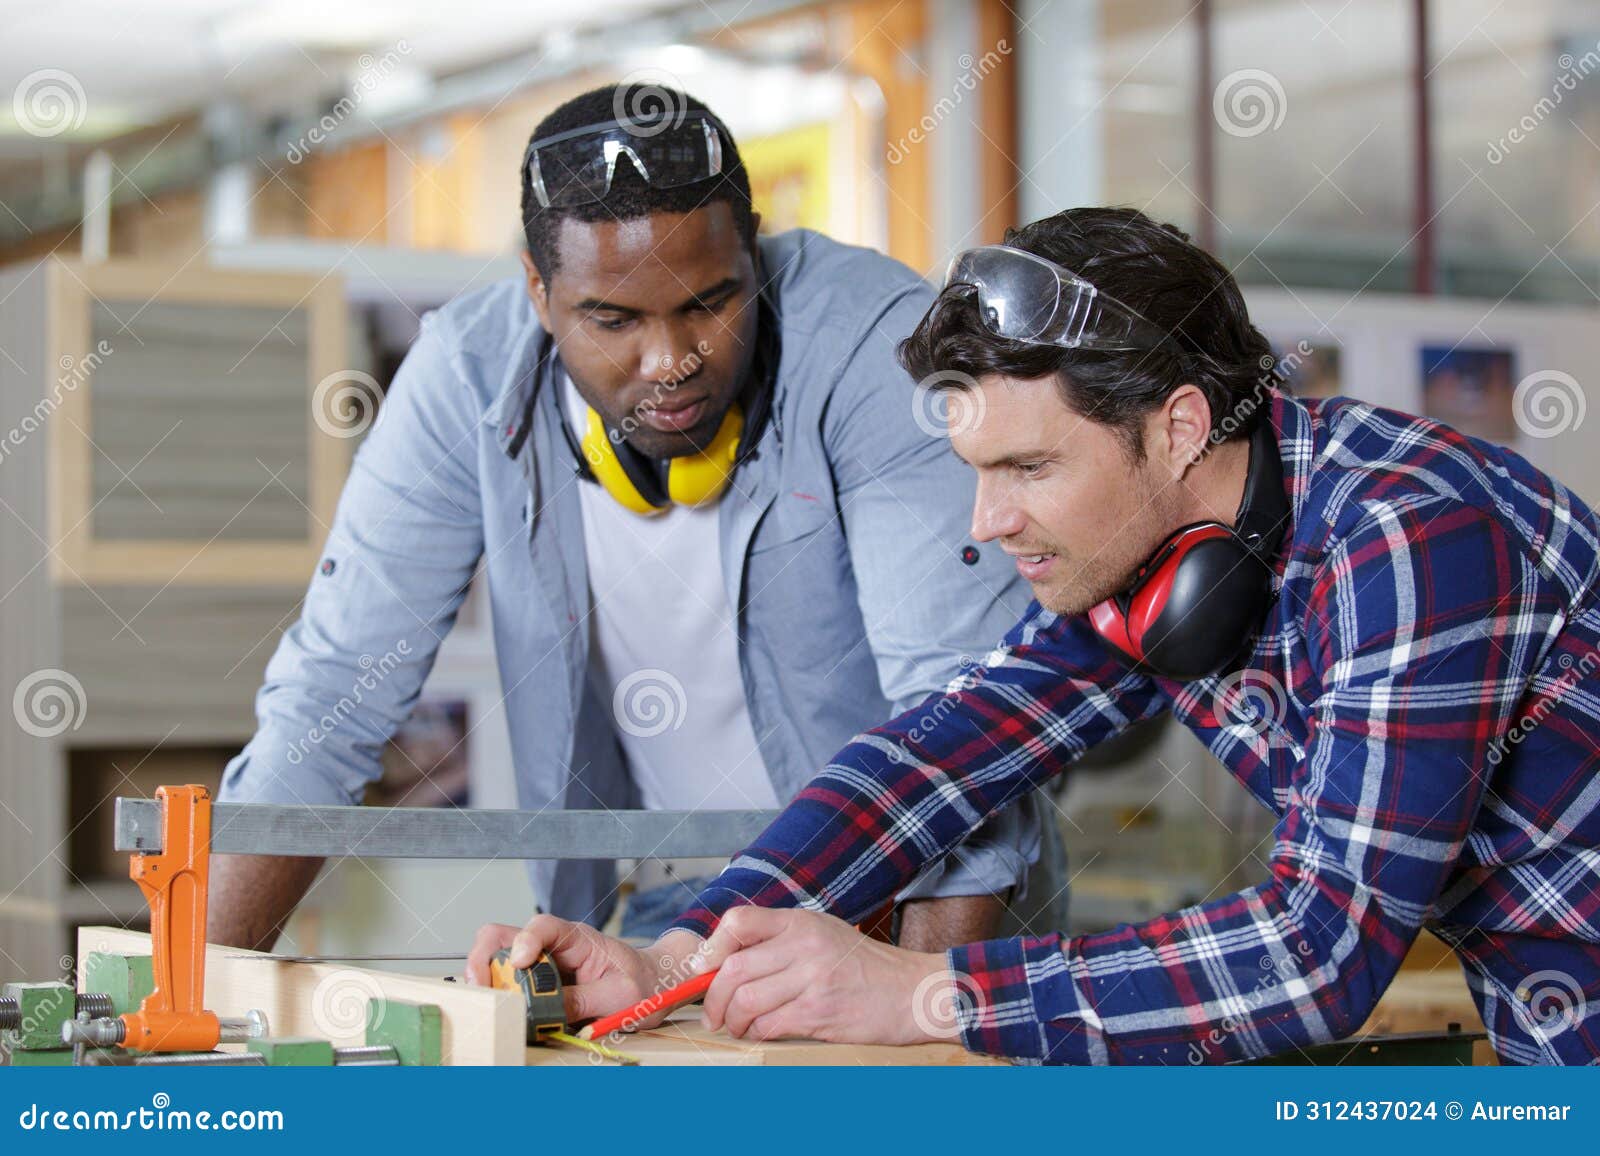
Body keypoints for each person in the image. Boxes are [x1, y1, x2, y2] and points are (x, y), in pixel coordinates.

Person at [472, 207, 1600, 1066]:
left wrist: (926, 992)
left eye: (1027, 468)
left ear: (1179, 426)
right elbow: (939, 753)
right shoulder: (1153, 546)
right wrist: (680, 956)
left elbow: (1320, 954)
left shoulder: (1408, 539)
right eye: (978, 469)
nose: (987, 520)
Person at [211, 82, 1065, 955]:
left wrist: (922, 1025)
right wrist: (193, 1004)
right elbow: (329, 701)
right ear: (539, 293)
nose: (670, 362)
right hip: (683, 905)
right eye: (612, 318)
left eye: (709, 303)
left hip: (919, 894)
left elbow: (959, 716)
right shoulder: (464, 377)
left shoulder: (870, 340)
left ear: (754, 253)